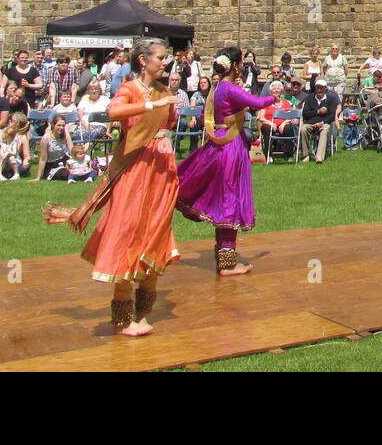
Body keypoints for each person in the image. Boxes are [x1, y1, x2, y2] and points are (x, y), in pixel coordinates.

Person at [43, 39, 182, 337]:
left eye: (166, 58)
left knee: (156, 231)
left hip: (161, 170)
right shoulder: (131, 89)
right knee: (127, 230)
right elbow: (113, 112)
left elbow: (168, 125)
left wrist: (166, 113)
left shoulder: (166, 91)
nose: (165, 63)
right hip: (135, 169)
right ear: (143, 60)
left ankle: (142, 312)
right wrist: (149, 105)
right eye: (160, 58)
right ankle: (122, 319)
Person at [176, 48, 274, 274]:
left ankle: (224, 253)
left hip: (218, 144)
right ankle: (227, 263)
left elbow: (206, 116)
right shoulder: (230, 89)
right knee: (230, 198)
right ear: (236, 65)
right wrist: (275, 96)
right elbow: (256, 103)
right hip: (231, 148)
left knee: (223, 198)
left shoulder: (218, 88)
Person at [299, 77, 338, 161]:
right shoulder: (309, 98)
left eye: (322, 88)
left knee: (324, 131)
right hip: (311, 123)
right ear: (315, 88)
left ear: (325, 88)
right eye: (318, 87)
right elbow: (305, 114)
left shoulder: (331, 99)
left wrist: (322, 122)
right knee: (303, 129)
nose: (320, 90)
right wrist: (317, 111)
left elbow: (332, 116)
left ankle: (319, 157)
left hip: (324, 123)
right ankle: (305, 155)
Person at [0, 113, 32, 179]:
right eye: (10, 120)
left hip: (14, 163)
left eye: (12, 120)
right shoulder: (3, 133)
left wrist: (26, 160)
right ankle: (6, 174)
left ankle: (10, 174)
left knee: (25, 166)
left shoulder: (22, 137)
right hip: (2, 162)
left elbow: (27, 156)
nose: (9, 122)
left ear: (17, 124)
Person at [36, 114, 76, 180]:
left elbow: (72, 151)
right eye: (59, 125)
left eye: (63, 125)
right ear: (53, 125)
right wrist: (38, 177)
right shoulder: (46, 138)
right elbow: (43, 159)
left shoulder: (65, 135)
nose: (61, 128)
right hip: (52, 165)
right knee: (66, 174)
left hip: (64, 161)